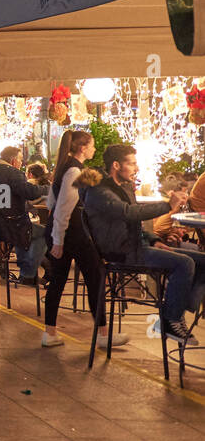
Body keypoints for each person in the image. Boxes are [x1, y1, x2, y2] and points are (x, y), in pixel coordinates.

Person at [83, 143, 203, 346]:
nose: (136, 168)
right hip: (120, 252)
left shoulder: (124, 188)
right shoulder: (100, 191)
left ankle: (173, 314)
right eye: (131, 163)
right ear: (116, 165)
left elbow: (133, 224)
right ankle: (171, 320)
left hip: (136, 245)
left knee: (202, 260)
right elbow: (128, 213)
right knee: (185, 263)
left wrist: (153, 239)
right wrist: (167, 206)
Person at [41, 130, 119, 348]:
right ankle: (103, 335)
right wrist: (58, 240)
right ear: (82, 148)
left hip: (64, 232)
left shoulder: (64, 167)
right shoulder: (74, 171)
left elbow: (51, 204)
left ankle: (50, 333)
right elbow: (63, 209)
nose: (94, 148)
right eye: (92, 145)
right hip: (71, 233)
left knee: (58, 280)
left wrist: (56, 236)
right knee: (95, 276)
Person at [0, 146, 49, 285]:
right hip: (10, 227)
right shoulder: (13, 173)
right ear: (13, 161)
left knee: (29, 232)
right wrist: (48, 188)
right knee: (43, 233)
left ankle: (0, 270)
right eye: (20, 160)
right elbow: (29, 192)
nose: (21, 163)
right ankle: (30, 275)